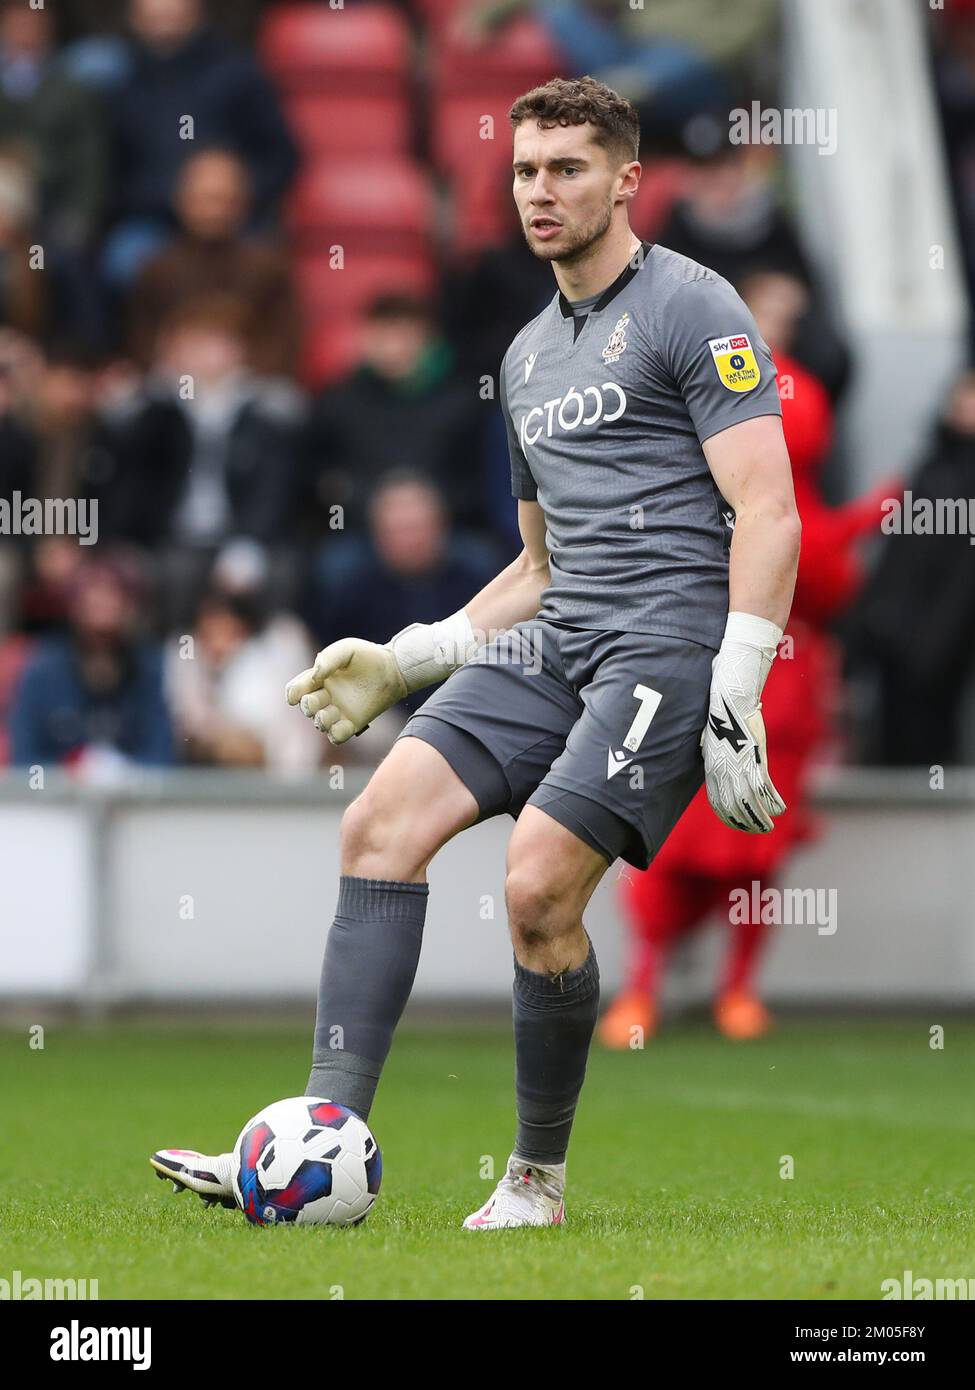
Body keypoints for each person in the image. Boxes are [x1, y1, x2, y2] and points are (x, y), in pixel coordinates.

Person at [151, 76, 800, 1229]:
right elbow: (538, 569)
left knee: (539, 885)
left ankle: (535, 1183)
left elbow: (769, 509)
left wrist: (738, 681)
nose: (540, 191)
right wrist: (411, 656)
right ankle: (314, 1142)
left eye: (566, 169)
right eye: (523, 170)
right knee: (377, 824)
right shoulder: (528, 354)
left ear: (626, 179)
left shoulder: (699, 308)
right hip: (559, 636)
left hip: (667, 644)